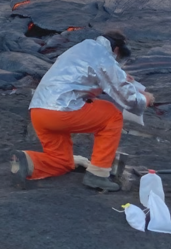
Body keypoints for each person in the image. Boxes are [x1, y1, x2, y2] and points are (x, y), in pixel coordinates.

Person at [10, 31, 154, 191]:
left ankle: (26, 161)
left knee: (62, 161)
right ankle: (98, 174)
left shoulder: (80, 49)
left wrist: (119, 76)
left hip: (39, 112)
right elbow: (125, 95)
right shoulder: (102, 56)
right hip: (61, 111)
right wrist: (145, 99)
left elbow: (80, 80)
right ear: (117, 50)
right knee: (112, 115)